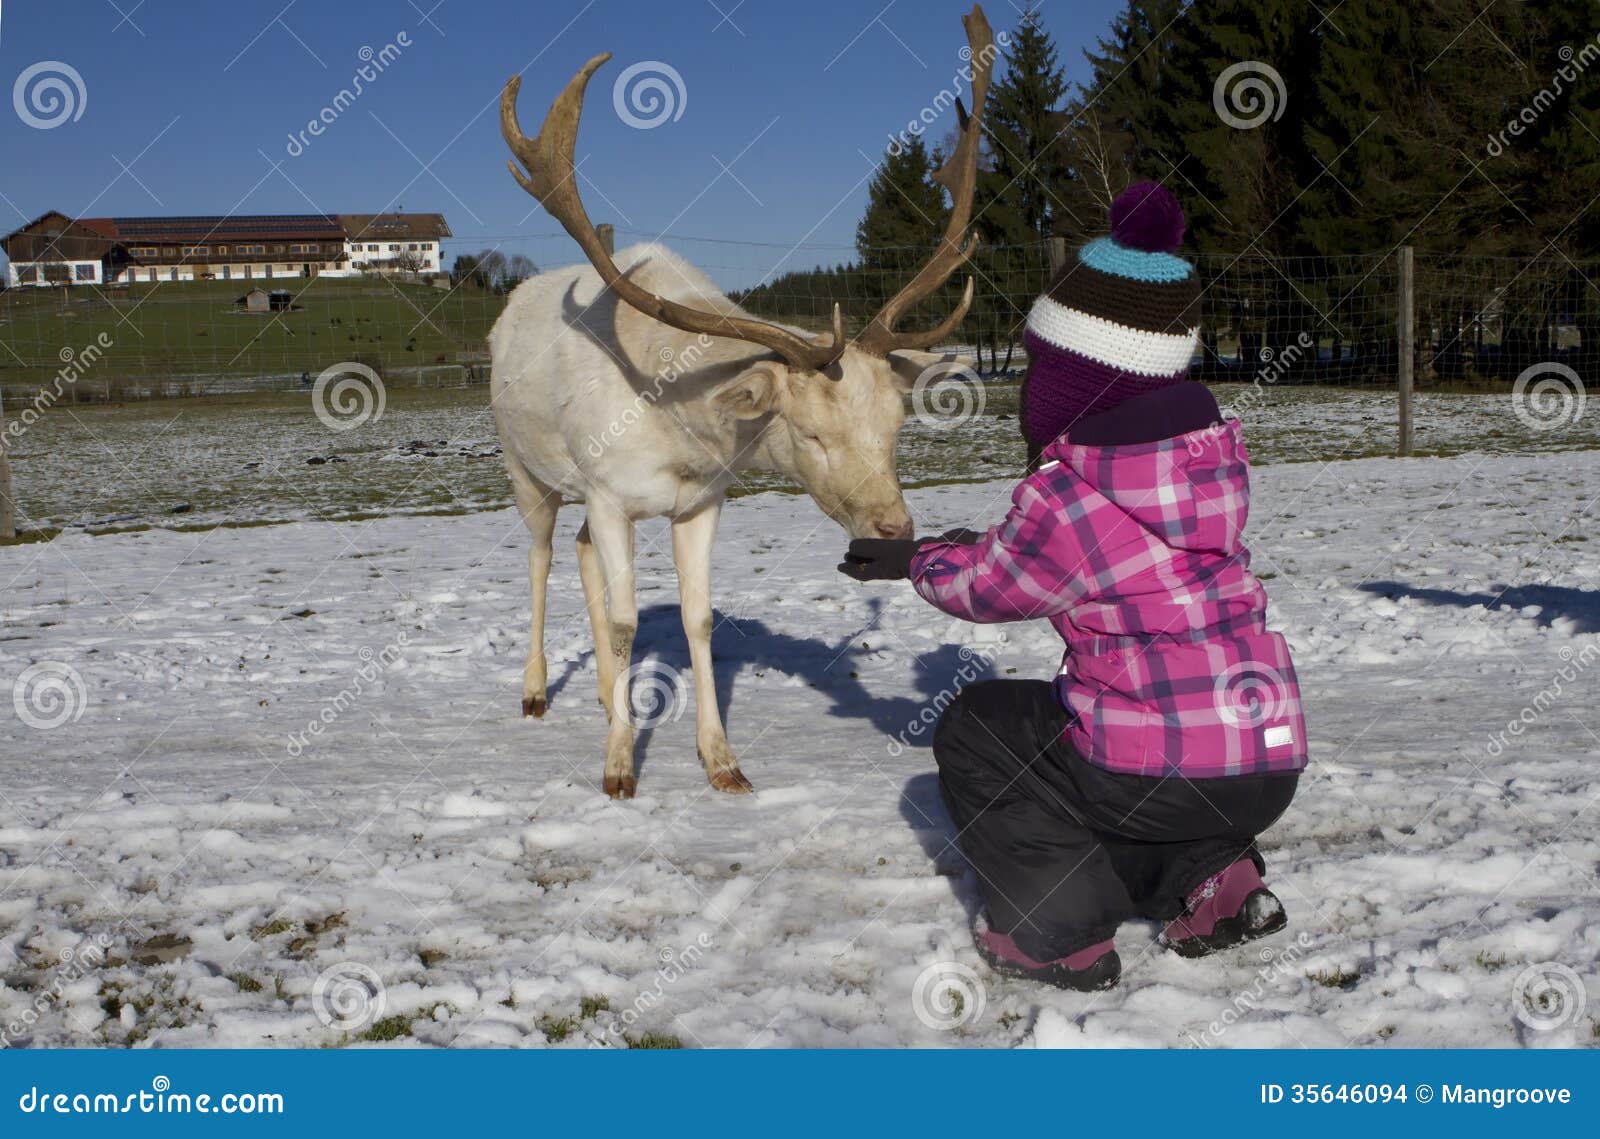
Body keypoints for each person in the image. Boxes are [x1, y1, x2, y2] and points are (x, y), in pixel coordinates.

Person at [839, 182, 1307, 992]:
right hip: (1266, 756)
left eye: (1040, 366)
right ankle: (1216, 880)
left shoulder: (1074, 491)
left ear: (1075, 379)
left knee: (980, 727)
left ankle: (1057, 930)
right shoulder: (1205, 462)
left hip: (1165, 766)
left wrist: (914, 559)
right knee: (1141, 756)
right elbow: (1087, 558)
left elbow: (992, 588)